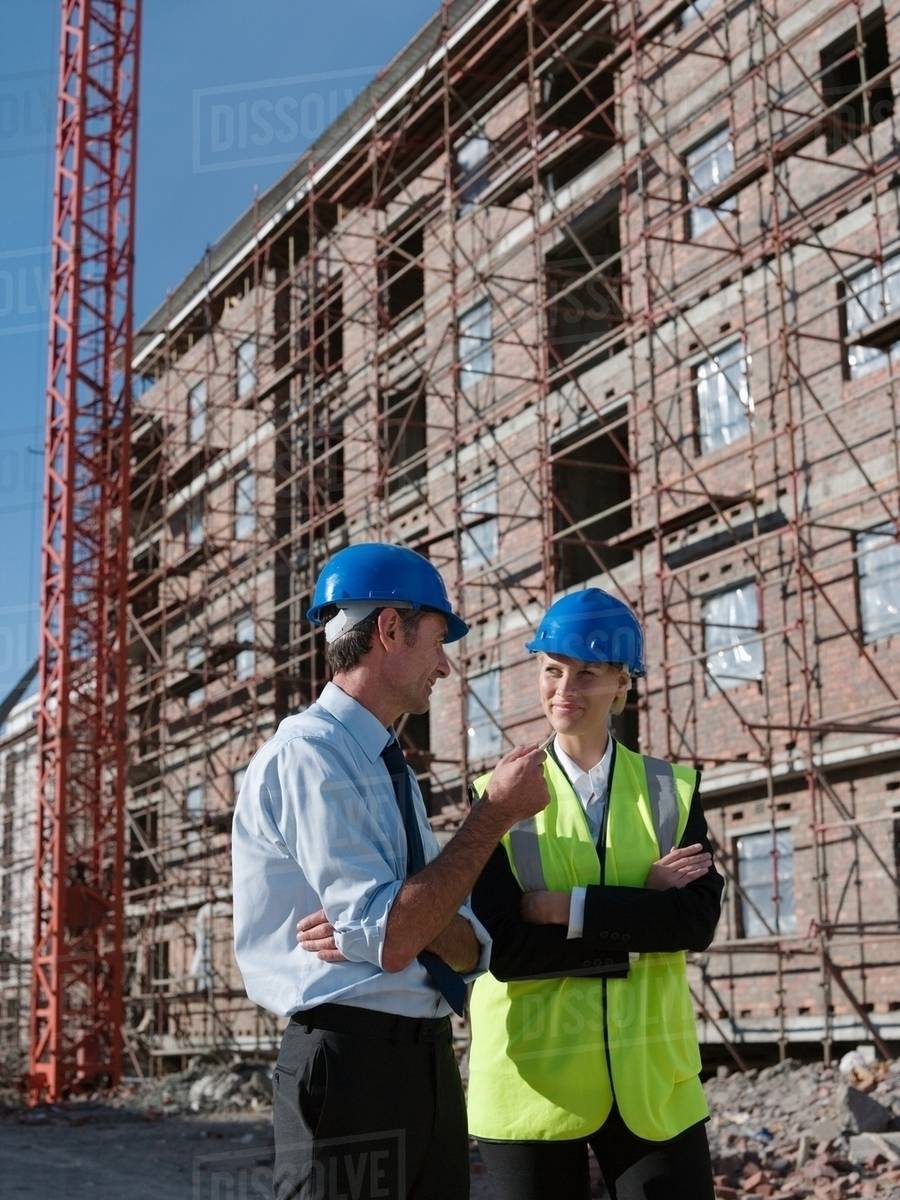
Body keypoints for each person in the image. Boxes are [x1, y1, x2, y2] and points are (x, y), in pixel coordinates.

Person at [231, 542, 549, 1200]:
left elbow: (460, 946)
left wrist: (397, 922)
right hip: (349, 1064)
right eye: (437, 639)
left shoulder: (387, 770)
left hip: (424, 1062)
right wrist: (490, 817)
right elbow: (401, 936)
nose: (445, 663)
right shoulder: (310, 757)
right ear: (388, 629)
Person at [467, 588, 724, 1200]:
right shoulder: (499, 796)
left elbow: (695, 921)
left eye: (586, 672)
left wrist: (567, 908)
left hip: (651, 1085)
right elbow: (507, 948)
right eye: (552, 670)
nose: (564, 689)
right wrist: (639, 914)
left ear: (622, 685)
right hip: (532, 1086)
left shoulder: (669, 791)